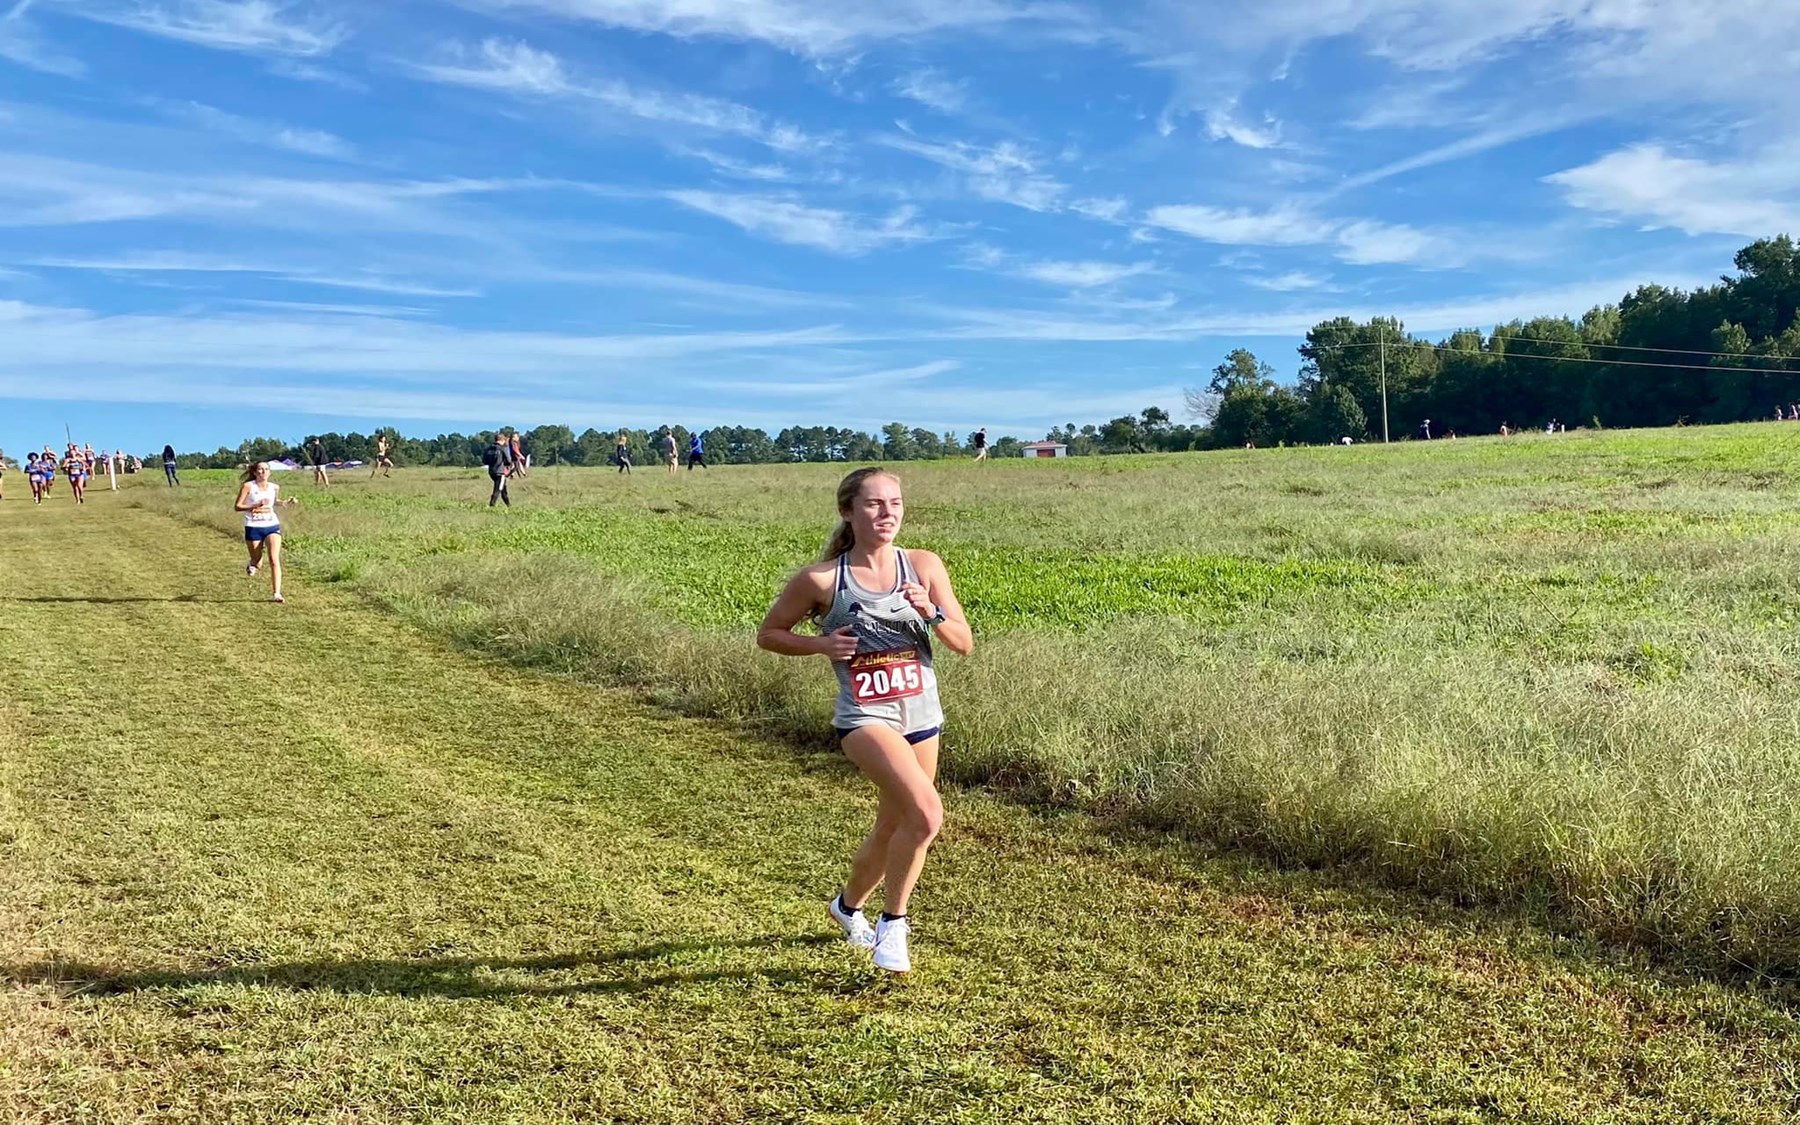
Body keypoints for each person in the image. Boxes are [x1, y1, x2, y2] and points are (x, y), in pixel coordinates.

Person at [756, 468, 973, 974]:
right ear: (848, 512)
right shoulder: (823, 579)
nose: (888, 513)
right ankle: (893, 926)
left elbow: (963, 642)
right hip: (865, 717)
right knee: (928, 815)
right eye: (875, 504)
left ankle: (846, 907)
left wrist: (932, 613)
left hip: (921, 715)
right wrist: (820, 645)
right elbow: (769, 634)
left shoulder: (922, 565)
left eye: (895, 503)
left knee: (894, 826)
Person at [235, 461, 297, 603]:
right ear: (255, 472)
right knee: (258, 562)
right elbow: (237, 506)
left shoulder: (274, 487)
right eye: (260, 469)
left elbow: (274, 501)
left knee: (274, 559)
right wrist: (253, 506)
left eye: (266, 469)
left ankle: (277, 593)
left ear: (270, 472)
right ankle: (253, 562)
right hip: (253, 526)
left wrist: (287, 502)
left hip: (271, 525)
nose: (263, 472)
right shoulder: (248, 486)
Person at [483, 432, 515, 506]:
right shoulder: (502, 448)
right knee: (498, 489)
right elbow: (508, 460)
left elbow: (484, 461)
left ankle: (508, 505)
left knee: (503, 487)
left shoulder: (488, 449)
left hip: (491, 471)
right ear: (502, 440)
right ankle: (492, 504)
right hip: (500, 472)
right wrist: (508, 466)